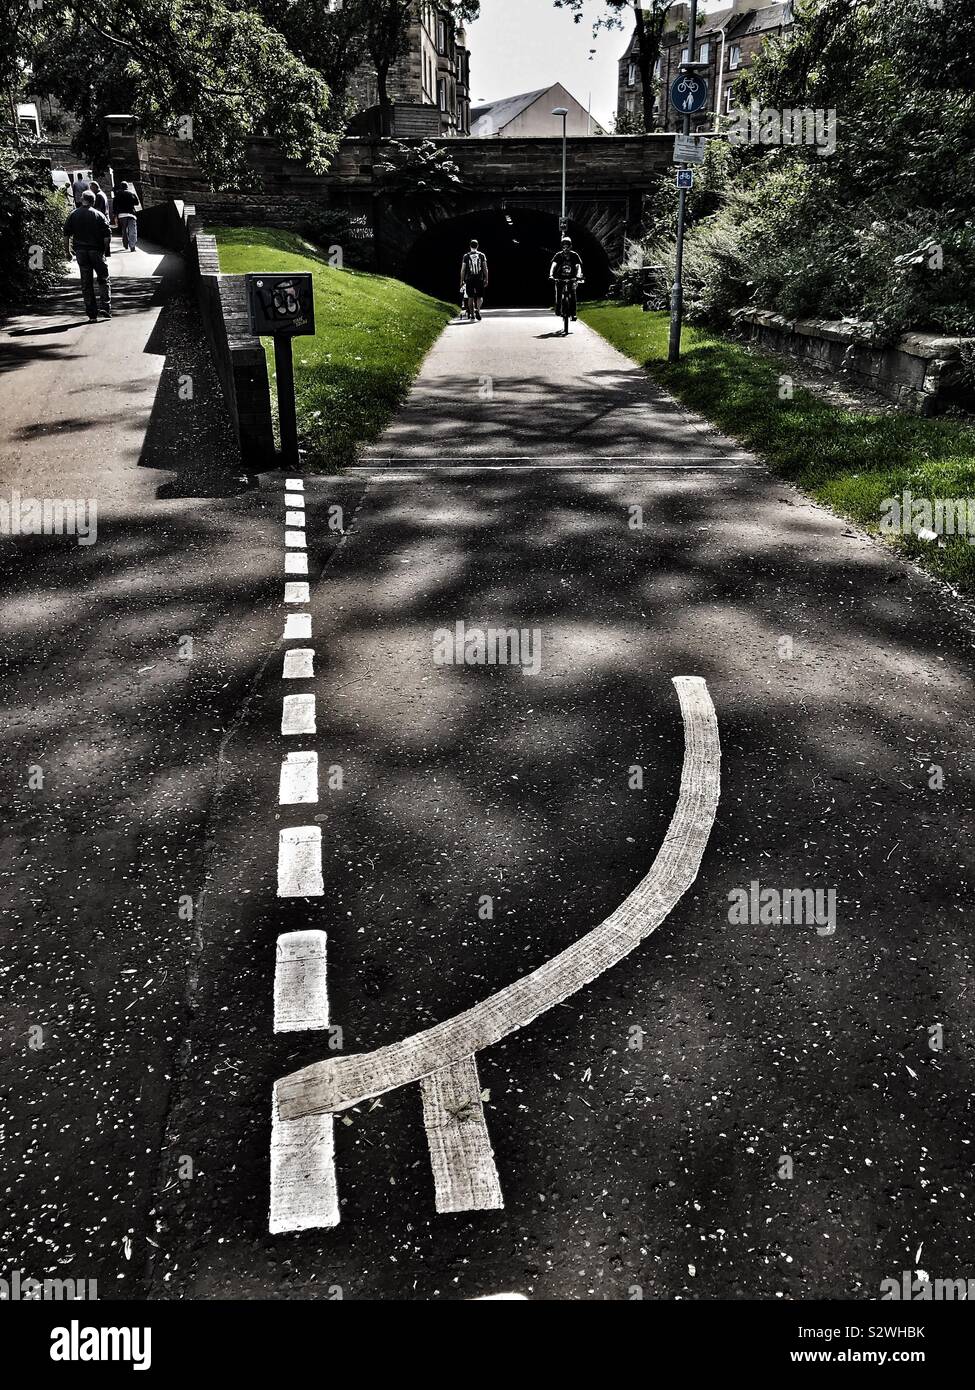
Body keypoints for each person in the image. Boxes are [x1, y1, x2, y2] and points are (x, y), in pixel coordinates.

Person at [64, 190, 112, 323]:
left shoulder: (73, 214)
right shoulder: (99, 215)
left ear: (82, 199)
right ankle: (105, 308)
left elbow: (66, 234)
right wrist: (104, 251)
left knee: (86, 282)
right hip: (96, 251)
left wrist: (67, 252)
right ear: (93, 201)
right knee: (103, 278)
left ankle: (92, 314)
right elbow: (107, 236)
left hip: (80, 252)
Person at [549, 235, 584, 324]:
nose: (566, 247)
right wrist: (551, 275)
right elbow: (554, 265)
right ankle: (558, 308)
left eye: (567, 245)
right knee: (559, 294)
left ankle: (573, 314)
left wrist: (578, 275)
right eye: (564, 245)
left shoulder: (574, 255)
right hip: (560, 278)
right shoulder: (558, 255)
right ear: (562, 246)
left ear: (570, 246)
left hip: (572, 278)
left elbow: (578, 266)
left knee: (573, 294)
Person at [459, 239, 488, 321]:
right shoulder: (482, 255)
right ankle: (477, 310)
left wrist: (461, 280)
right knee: (480, 296)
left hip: (469, 279)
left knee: (470, 297)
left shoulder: (466, 256)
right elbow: (485, 268)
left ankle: (472, 315)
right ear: (477, 246)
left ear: (470, 246)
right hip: (479, 278)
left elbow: (463, 269)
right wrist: (486, 279)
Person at [113, 180, 141, 252]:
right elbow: (137, 203)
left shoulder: (117, 195)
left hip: (122, 215)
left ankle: (125, 245)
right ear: (127, 187)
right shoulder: (131, 193)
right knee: (132, 230)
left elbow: (114, 206)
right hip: (131, 214)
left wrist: (115, 215)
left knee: (124, 230)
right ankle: (132, 246)